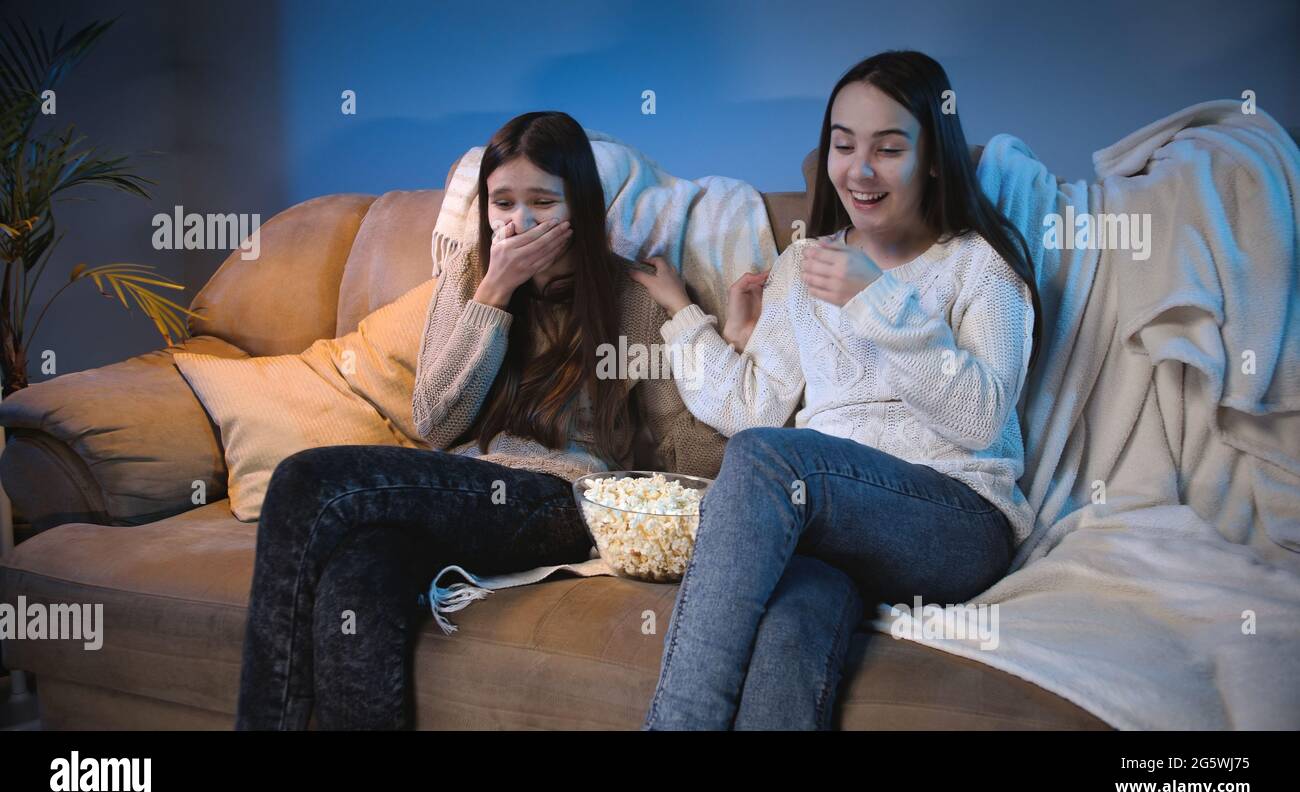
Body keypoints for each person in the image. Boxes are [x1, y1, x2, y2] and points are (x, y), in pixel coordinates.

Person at [235, 111, 723, 730]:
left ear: (583, 206)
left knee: (304, 481)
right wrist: (494, 296)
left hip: (560, 502)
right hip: (463, 492)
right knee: (361, 573)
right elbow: (437, 423)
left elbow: (689, 456)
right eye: (503, 203)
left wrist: (700, 327)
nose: (518, 222)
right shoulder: (471, 275)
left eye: (543, 202)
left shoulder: (633, 295)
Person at [631, 50, 1044, 730]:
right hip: (838, 524)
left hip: (956, 519)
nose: (859, 169)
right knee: (793, 616)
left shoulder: (981, 264)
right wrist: (686, 316)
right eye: (842, 145)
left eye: (888, 149)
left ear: (933, 159)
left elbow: (980, 417)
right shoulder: (804, 264)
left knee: (772, 458)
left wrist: (876, 298)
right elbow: (753, 408)